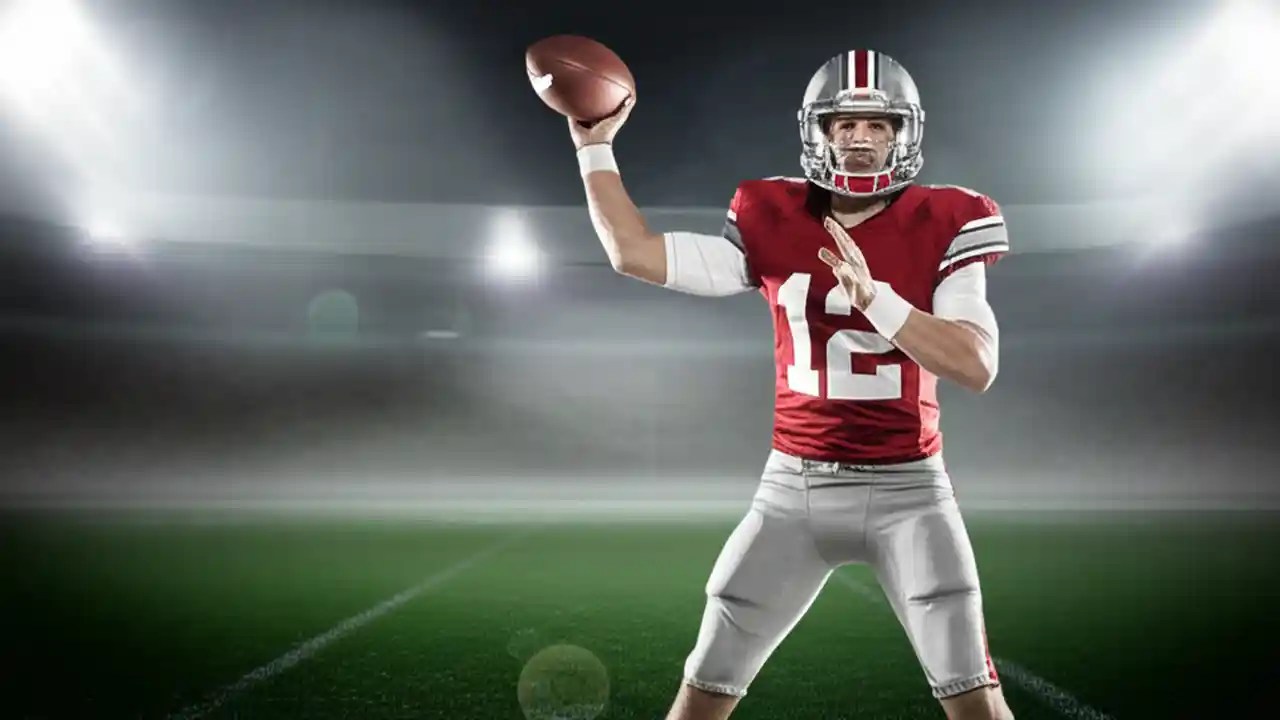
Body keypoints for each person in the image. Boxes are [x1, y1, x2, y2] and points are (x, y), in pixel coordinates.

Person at [566, 49, 1015, 720]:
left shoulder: (948, 218)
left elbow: (976, 364)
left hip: (909, 491)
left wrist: (879, 301)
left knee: (973, 699)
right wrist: (595, 147)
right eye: (845, 124)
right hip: (792, 490)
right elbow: (633, 252)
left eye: (878, 125)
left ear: (904, 134)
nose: (861, 138)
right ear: (819, 132)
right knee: (702, 691)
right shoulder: (768, 211)